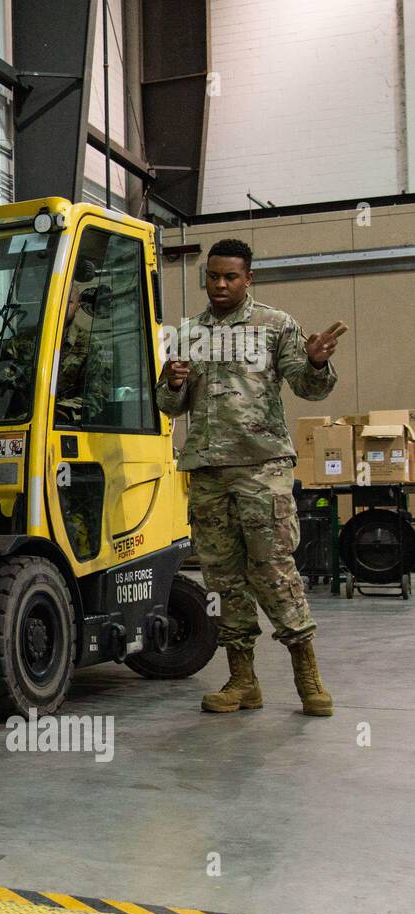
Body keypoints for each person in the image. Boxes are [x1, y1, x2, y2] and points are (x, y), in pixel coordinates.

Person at [155, 239, 346, 716]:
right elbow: (168, 405)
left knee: (273, 569)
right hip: (207, 472)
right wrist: (174, 382)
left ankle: (308, 676)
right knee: (222, 579)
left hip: (262, 469)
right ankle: (243, 681)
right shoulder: (189, 333)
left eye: (230, 277)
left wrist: (318, 361)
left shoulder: (275, 325)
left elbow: (308, 386)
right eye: (213, 276)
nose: (220, 284)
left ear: (249, 278)